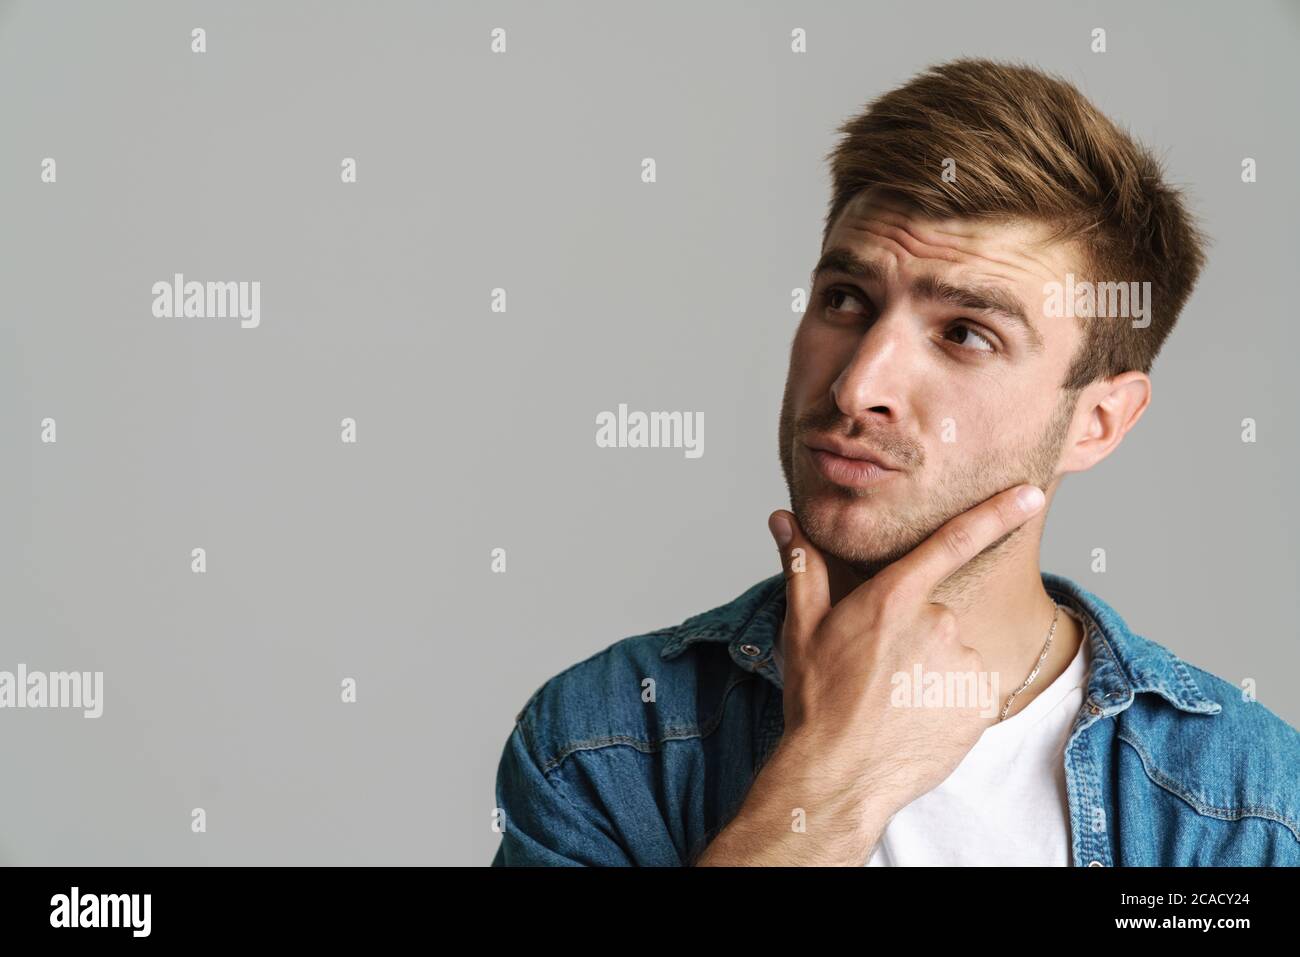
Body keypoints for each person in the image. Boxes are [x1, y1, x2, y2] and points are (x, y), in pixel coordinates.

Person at [491, 58, 1300, 866]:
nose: (856, 385)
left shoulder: (1250, 807)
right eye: (847, 299)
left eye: (966, 334)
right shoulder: (603, 740)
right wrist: (827, 785)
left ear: (1096, 421)